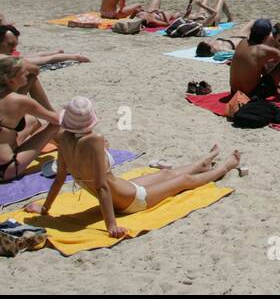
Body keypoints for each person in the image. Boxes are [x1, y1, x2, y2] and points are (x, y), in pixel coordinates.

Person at [27, 97, 241, 239]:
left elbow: (59, 178)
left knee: (165, 173)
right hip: (130, 202)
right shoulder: (94, 140)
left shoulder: (64, 139)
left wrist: (45, 209)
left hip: (124, 188)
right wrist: (111, 225)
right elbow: (101, 187)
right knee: (184, 182)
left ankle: (201, 163)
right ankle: (224, 167)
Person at [0, 23, 87, 127]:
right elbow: (34, 69)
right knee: (31, 78)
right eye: (10, 45)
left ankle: (50, 113)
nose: (13, 50)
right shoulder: (0, 59)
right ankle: (51, 112)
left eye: (15, 46)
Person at [0, 57, 62, 183]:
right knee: (54, 125)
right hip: (1, 171)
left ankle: (59, 145)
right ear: (11, 80)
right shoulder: (20, 101)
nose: (27, 74)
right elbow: (56, 119)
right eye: (23, 73)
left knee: (32, 120)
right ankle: (69, 149)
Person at [229, 19, 280, 98]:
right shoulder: (263, 50)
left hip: (234, 91)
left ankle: (278, 87)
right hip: (251, 95)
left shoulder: (242, 42)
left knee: (261, 65)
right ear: (266, 36)